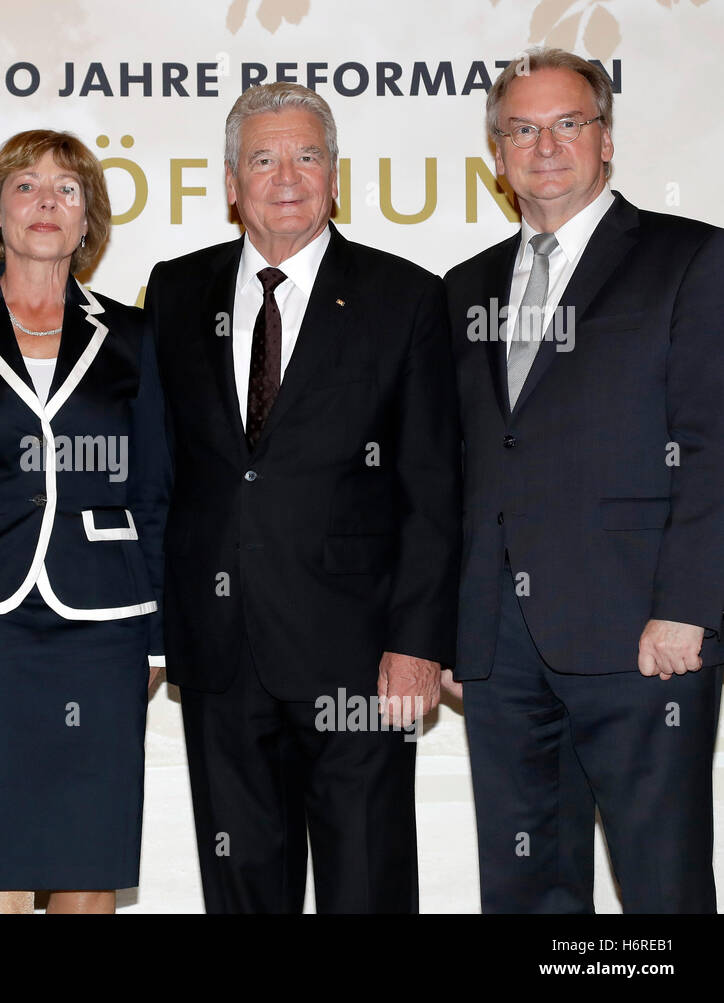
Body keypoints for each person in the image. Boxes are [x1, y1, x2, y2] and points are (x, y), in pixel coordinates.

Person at [144, 83, 461, 913]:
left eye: (307, 156)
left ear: (335, 173)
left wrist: (419, 642)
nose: (286, 175)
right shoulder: (174, 292)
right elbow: (162, 472)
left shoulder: (407, 296)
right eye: (263, 158)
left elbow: (433, 486)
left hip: (361, 658)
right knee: (242, 886)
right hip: (218, 652)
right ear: (230, 181)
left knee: (366, 882)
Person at [444, 48, 724, 913]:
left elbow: (714, 441)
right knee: (526, 886)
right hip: (501, 650)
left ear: (607, 141)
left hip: (644, 636)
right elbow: (467, 462)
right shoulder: (466, 287)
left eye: (569, 123)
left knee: (660, 884)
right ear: (497, 154)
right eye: (522, 129)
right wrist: (460, 626)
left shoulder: (691, 259)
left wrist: (690, 605)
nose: (546, 145)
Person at [0, 129, 170, 914]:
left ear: (89, 222)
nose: (45, 202)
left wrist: (156, 632)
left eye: (67, 189)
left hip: (104, 623)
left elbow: (152, 494)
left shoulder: (135, 337)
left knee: (89, 858)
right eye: (25, 186)